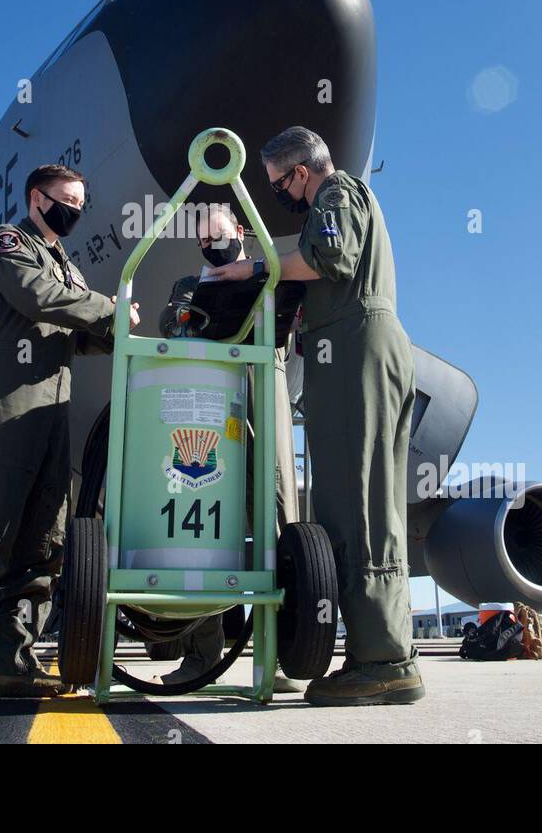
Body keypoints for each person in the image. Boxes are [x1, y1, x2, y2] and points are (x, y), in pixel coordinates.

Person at [204, 126, 423, 706]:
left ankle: (383, 661)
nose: (281, 193)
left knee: (358, 501)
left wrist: (252, 268)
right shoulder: (335, 200)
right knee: (350, 498)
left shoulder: (337, 193)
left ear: (301, 172)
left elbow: (331, 256)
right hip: (348, 350)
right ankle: (380, 652)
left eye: (280, 183)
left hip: (358, 349)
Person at [0, 164, 139, 704]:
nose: (74, 211)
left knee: (43, 542)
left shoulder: (66, 267)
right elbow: (37, 298)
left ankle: (10, 662)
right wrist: (108, 310)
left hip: (51, 413)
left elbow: (78, 337)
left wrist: (120, 328)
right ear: (36, 199)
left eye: (80, 203)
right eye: (66, 200)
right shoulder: (7, 244)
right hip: (4, 408)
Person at [155, 202, 302, 691]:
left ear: (240, 231)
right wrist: (196, 305)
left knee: (276, 512)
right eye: (201, 240)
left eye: (216, 235)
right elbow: (169, 326)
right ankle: (201, 654)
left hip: (264, 389)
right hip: (208, 397)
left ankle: (277, 653)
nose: (209, 245)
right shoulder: (188, 286)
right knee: (202, 519)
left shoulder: (271, 275)